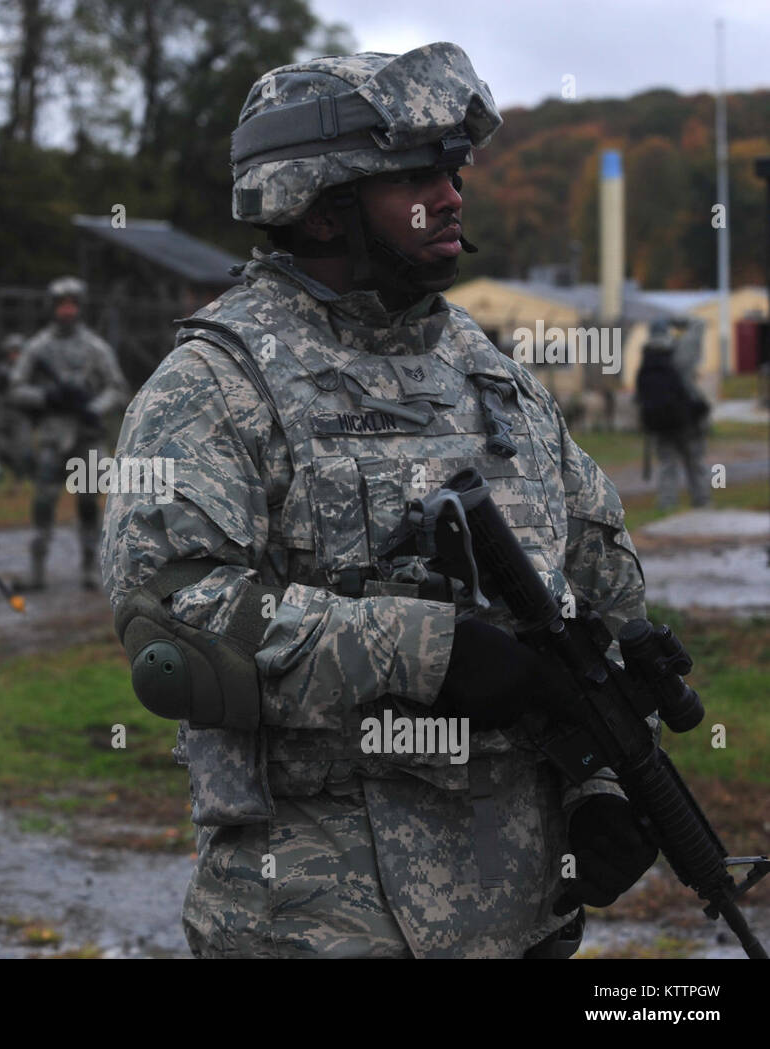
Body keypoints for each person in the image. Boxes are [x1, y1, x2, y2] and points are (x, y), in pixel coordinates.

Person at [102, 43, 658, 958]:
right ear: (320, 204)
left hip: (524, 911)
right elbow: (176, 636)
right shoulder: (214, 383)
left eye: (453, 169)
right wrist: (428, 652)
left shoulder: (487, 372)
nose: (451, 195)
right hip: (323, 912)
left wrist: (601, 783)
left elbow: (590, 595)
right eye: (415, 173)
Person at [7, 277, 128, 590]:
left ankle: (90, 567)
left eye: (73, 304)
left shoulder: (95, 348)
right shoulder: (38, 347)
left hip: (87, 434)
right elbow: (16, 389)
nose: (67, 311)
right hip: (52, 435)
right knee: (44, 502)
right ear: (52, 307)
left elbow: (117, 387)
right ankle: (37, 570)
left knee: (89, 502)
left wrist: (95, 408)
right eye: (62, 305)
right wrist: (46, 397)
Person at [635, 318, 711, 511]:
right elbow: (699, 324)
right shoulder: (680, 353)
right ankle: (701, 502)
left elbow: (639, 396)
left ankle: (666, 504)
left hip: (659, 424)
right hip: (687, 420)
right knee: (695, 463)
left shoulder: (647, 358)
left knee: (667, 464)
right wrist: (675, 320)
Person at [0, 332, 35, 485]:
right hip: (1, 415)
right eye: (12, 351)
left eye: (17, 351)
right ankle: (16, 473)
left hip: (22, 415)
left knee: (24, 450)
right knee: (1, 449)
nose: (14, 355)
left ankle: (25, 477)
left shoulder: (30, 370)